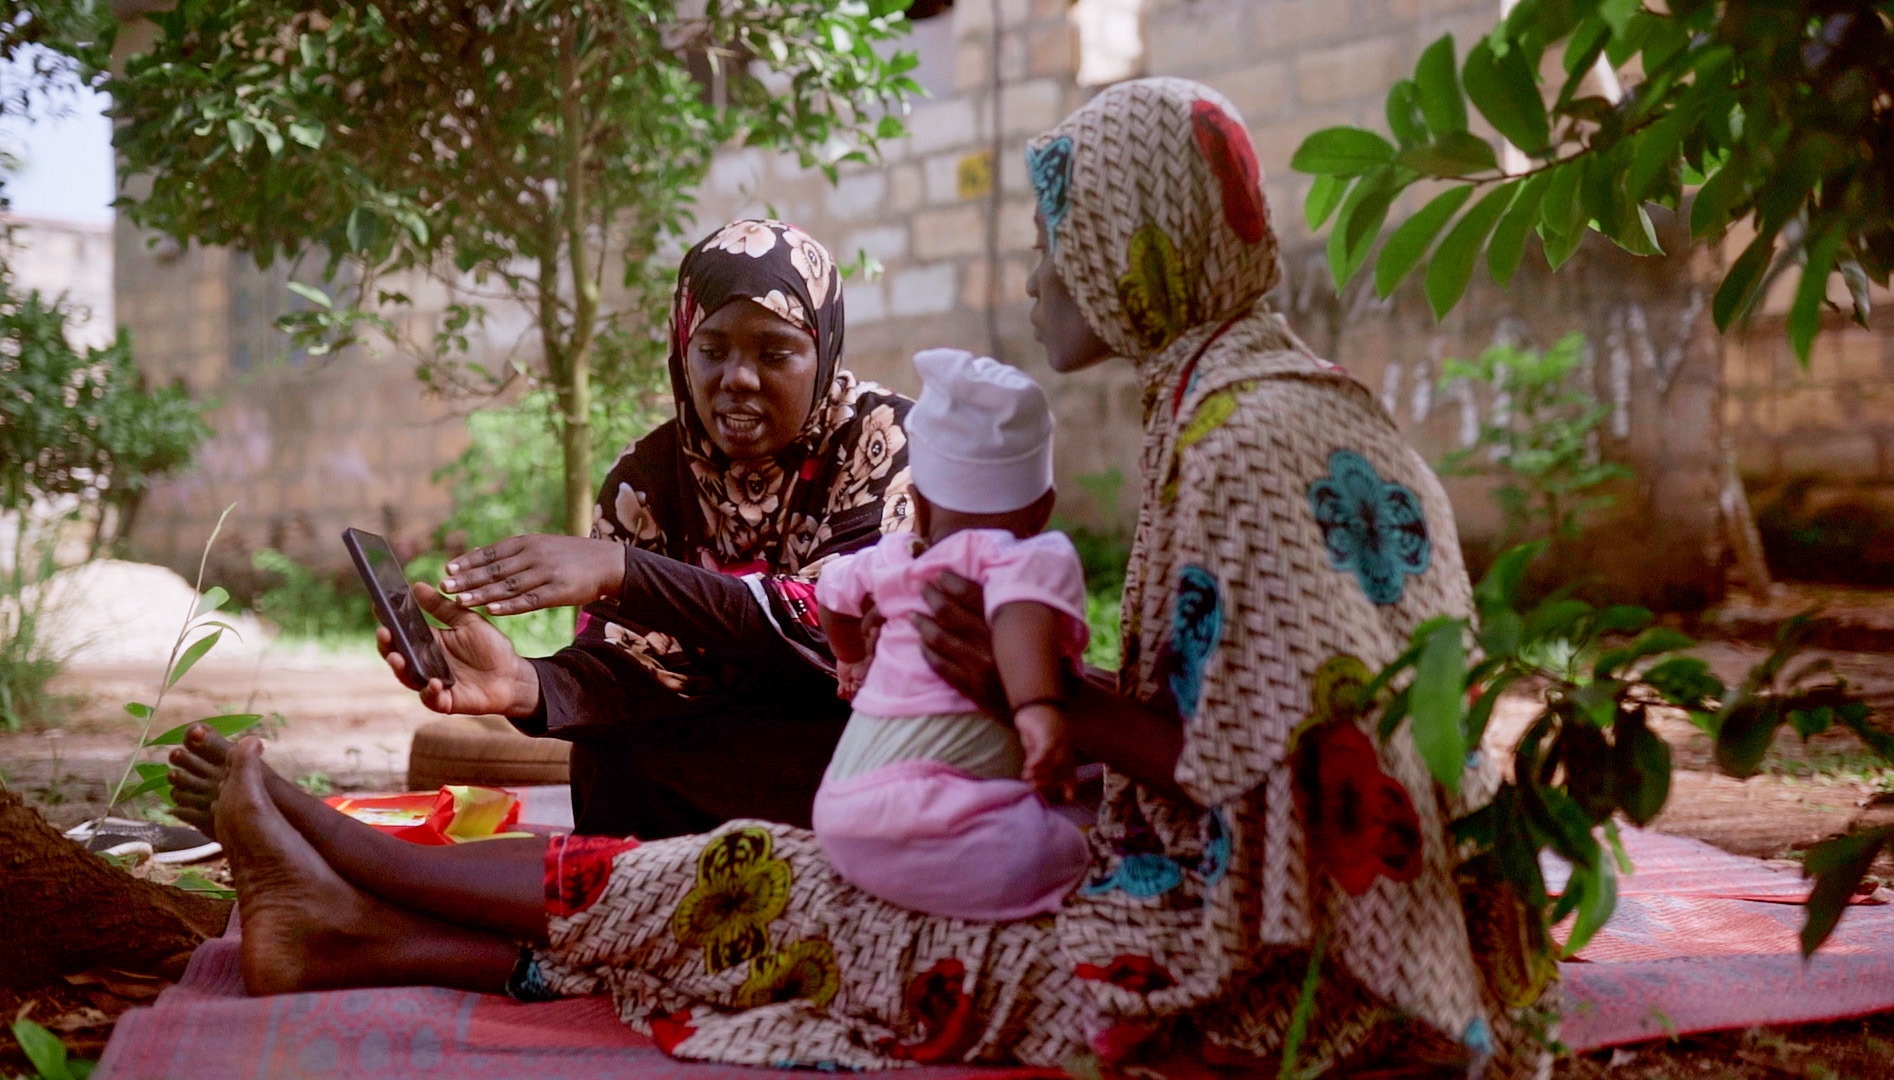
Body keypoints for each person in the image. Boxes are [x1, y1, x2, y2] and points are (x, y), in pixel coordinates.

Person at [170, 79, 1548, 1078]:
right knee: (760, 881)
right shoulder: (1244, 408)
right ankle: (339, 916)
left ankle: (330, 853)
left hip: (1274, 972)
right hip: (1160, 879)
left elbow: (1294, 766)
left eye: (1057, 245)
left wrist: (1042, 695)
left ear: (1141, 248)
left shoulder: (1222, 443)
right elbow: (680, 678)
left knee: (784, 901)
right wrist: (527, 682)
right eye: (715, 345)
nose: (1031, 279)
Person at [385, 219, 914, 839]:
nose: (737, 378)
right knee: (612, 754)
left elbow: (828, 630)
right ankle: (626, 915)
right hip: (726, 765)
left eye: (774, 353)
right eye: (712, 351)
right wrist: (522, 684)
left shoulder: (881, 440)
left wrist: (623, 570)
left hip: (854, 755)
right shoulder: (651, 475)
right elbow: (633, 666)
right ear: (683, 346)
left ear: (823, 350)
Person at [812, 347, 1090, 921]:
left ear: (915, 505)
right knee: (1073, 839)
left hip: (840, 813)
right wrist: (1037, 707)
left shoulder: (890, 557)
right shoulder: (1030, 557)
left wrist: (851, 660)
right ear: (1042, 509)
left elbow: (831, 596)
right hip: (940, 812)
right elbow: (1018, 613)